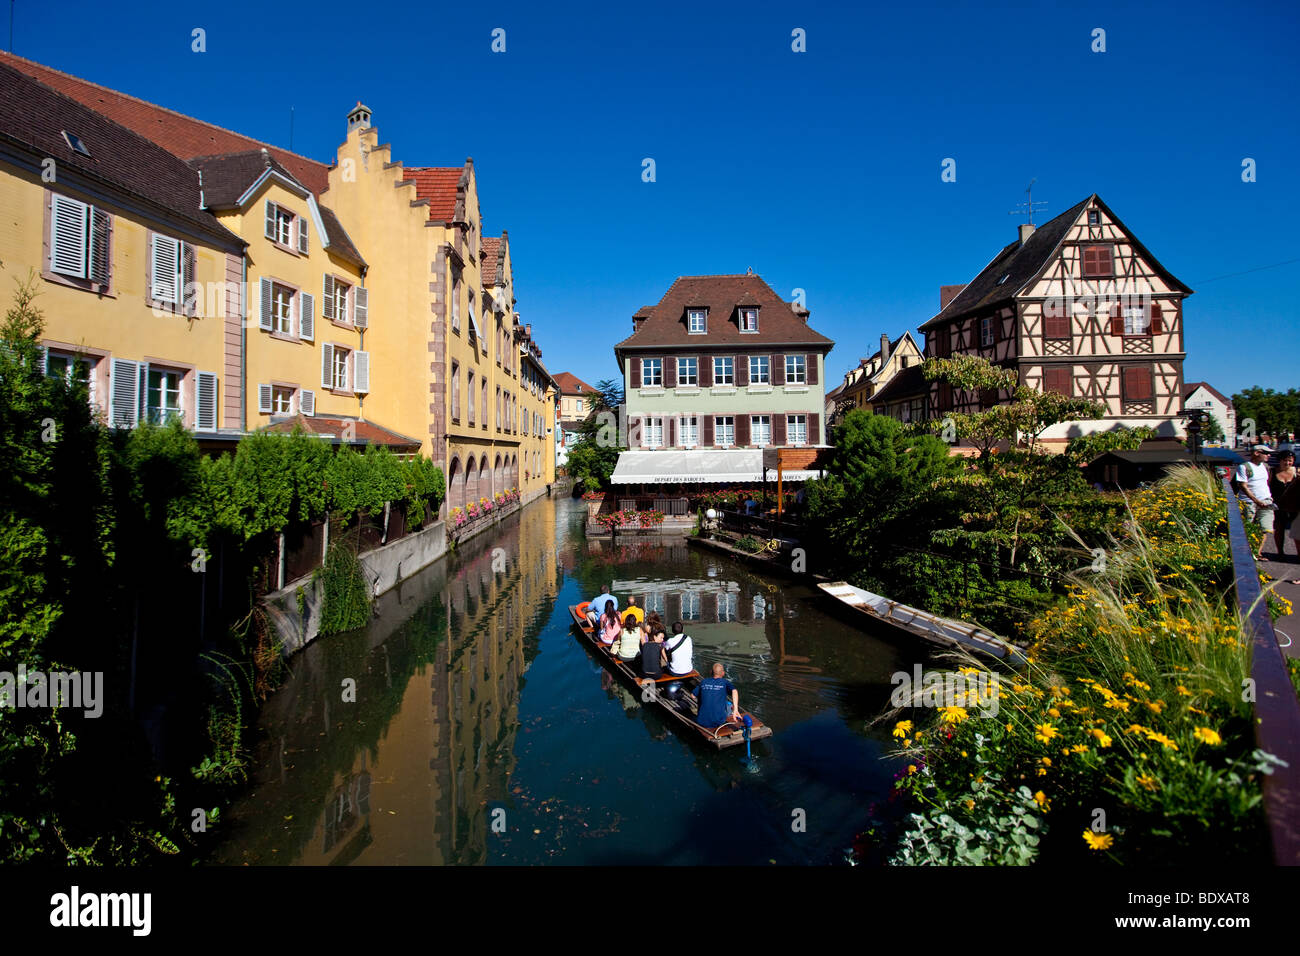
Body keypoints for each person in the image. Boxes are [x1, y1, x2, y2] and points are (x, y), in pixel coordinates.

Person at [1234, 445, 1275, 560]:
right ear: (1257, 453)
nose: (1268, 455)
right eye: (1266, 453)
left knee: (1265, 528)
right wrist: (1256, 500)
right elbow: (1243, 486)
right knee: (1247, 527)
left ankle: (1257, 552)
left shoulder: (1265, 466)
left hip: (1266, 500)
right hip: (1249, 502)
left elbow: (1267, 482)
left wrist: (1267, 497)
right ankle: (1245, 552)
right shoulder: (1244, 467)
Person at [694, 662, 739, 729]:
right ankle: (732, 714)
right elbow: (734, 691)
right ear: (723, 673)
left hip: (701, 722)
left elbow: (692, 696)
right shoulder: (725, 682)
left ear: (711, 672)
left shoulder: (704, 681)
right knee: (729, 705)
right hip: (719, 722)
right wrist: (736, 709)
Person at [1270, 450, 1297, 560]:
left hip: (1294, 505)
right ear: (1279, 461)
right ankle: (1280, 552)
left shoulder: (1297, 472)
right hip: (1278, 505)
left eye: (1290, 461)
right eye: (1284, 461)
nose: (1287, 463)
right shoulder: (1272, 472)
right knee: (1279, 529)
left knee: (1296, 531)